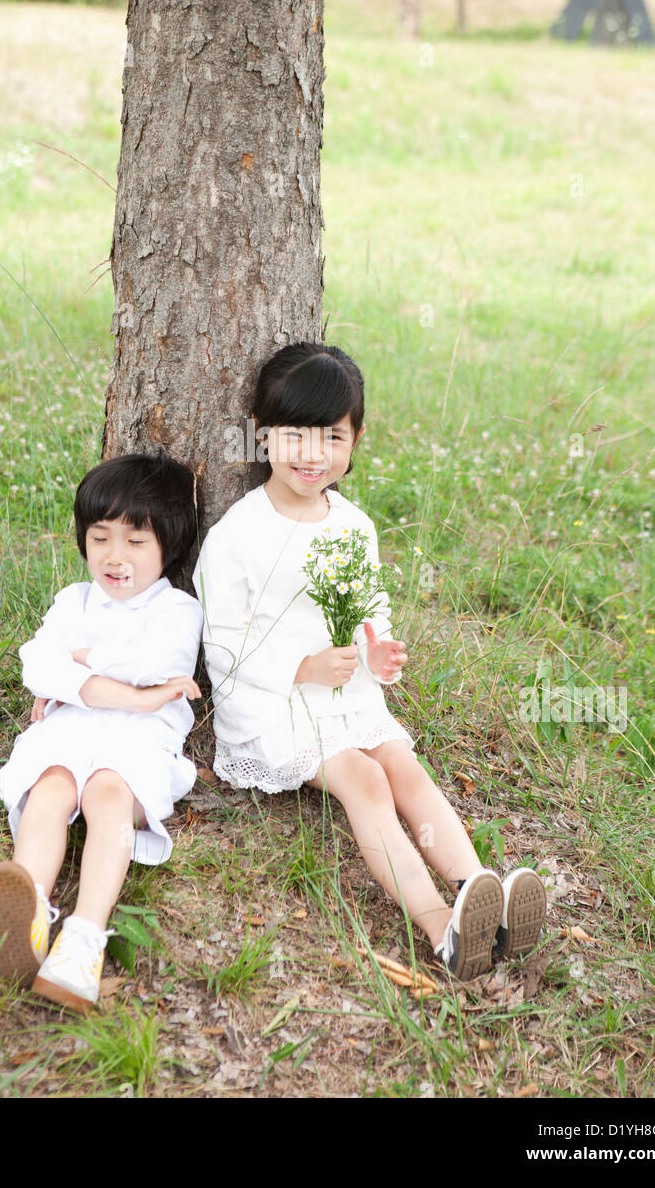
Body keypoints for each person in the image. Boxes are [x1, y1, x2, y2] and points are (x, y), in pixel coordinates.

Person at [193, 342, 545, 980]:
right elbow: (220, 642)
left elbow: (368, 604)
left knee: (404, 766)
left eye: (332, 436)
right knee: (366, 780)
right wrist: (299, 667)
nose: (312, 453)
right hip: (273, 704)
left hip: (348, 694)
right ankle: (441, 926)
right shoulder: (237, 535)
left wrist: (377, 648)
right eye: (295, 434)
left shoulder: (353, 525)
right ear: (262, 435)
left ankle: (476, 890)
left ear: (355, 440)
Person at [0, 453, 202, 1012]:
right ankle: (25, 909)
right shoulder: (72, 600)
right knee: (51, 788)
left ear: (168, 547)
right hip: (72, 731)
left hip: (138, 741)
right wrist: (127, 691)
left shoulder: (179, 608)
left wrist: (80, 664)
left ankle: (83, 940)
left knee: (107, 795)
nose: (114, 557)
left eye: (135, 541)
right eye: (99, 538)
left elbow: (160, 664)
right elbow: (37, 665)